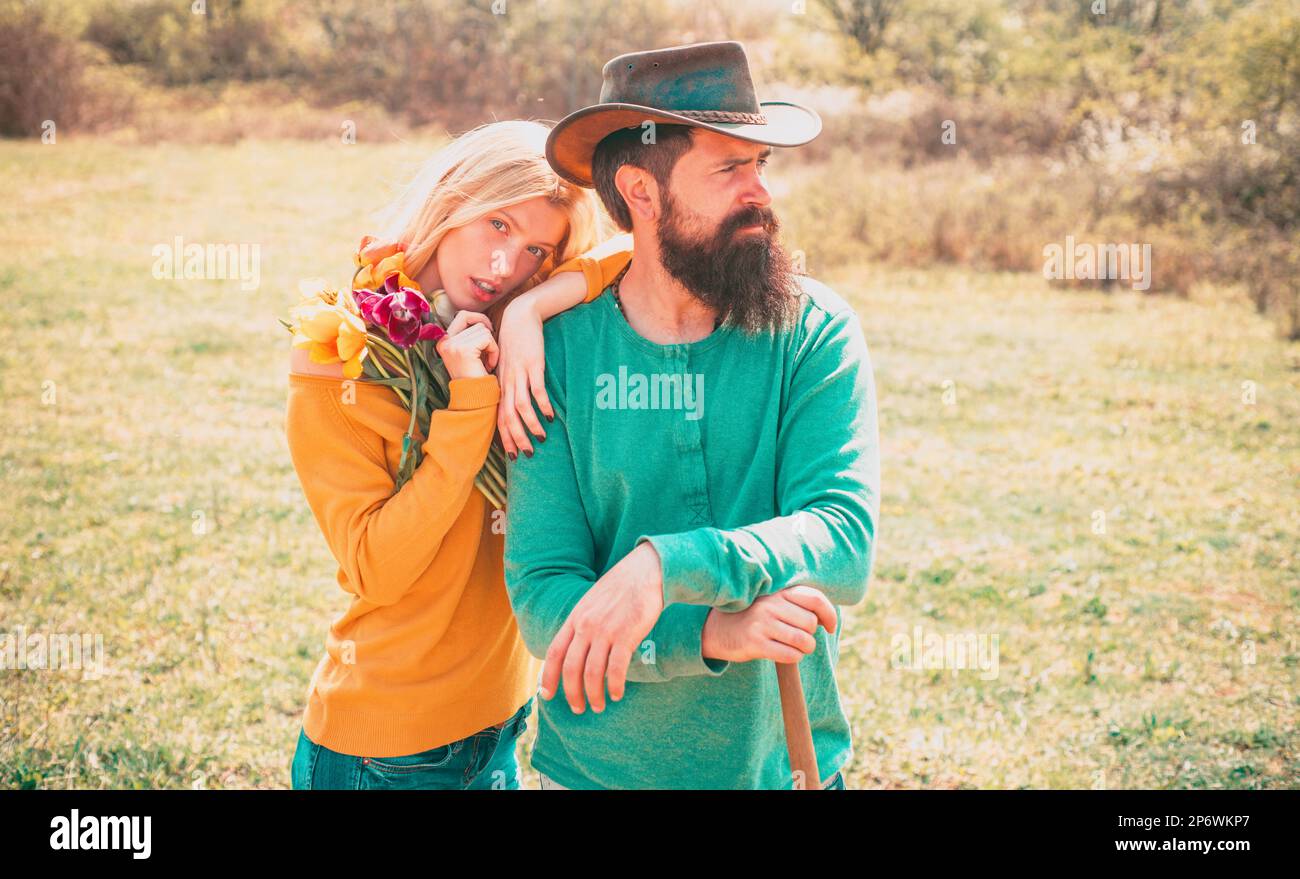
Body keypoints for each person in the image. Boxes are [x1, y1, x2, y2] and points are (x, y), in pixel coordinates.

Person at [503, 40, 881, 789]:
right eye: (729, 169)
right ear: (642, 193)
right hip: (597, 772)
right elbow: (547, 599)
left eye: (760, 166)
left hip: (784, 767)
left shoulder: (815, 332)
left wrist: (664, 565)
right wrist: (710, 630)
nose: (761, 194)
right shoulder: (554, 357)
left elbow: (842, 540)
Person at [284, 120, 614, 789]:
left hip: (500, 727)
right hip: (387, 750)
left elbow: (639, 249)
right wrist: (467, 403)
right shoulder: (338, 359)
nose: (506, 266)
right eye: (497, 224)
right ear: (453, 197)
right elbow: (377, 565)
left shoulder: (509, 331)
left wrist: (531, 311)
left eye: (534, 250)